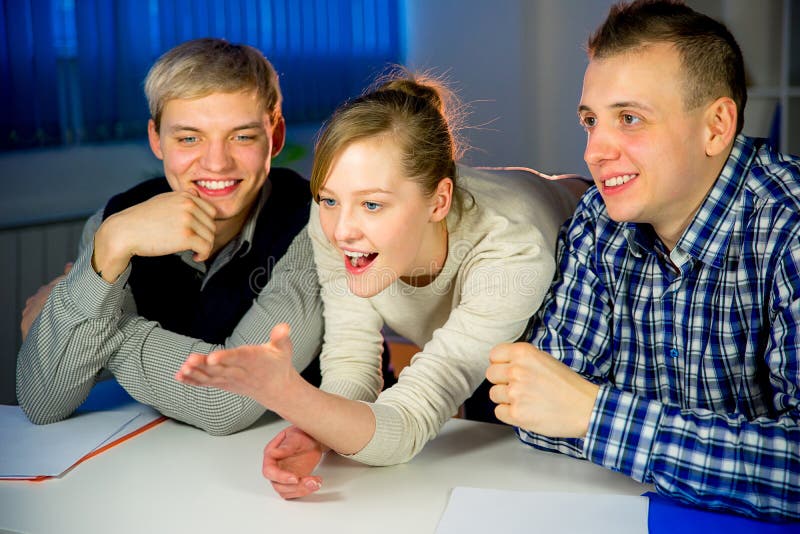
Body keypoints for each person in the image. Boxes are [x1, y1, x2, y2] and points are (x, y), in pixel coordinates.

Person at [175, 70, 584, 498]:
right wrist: (317, 429)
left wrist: (289, 394)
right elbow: (352, 362)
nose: (343, 231)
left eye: (372, 204)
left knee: (507, 441)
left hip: (562, 309)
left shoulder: (511, 250)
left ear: (439, 202)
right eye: (330, 198)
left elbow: (409, 424)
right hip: (479, 317)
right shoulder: (334, 220)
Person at [485, 0, 800, 521]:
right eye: (590, 121)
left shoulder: (788, 228)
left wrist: (595, 414)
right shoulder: (598, 218)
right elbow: (536, 411)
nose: (594, 152)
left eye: (629, 119)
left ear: (717, 126)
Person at [16, 38, 323, 436]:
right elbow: (43, 401)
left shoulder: (316, 223)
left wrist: (100, 327)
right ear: (156, 139)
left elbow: (227, 402)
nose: (216, 163)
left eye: (242, 137)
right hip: (169, 462)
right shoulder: (116, 228)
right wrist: (111, 245)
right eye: (189, 138)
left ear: (275, 137)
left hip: (309, 463)